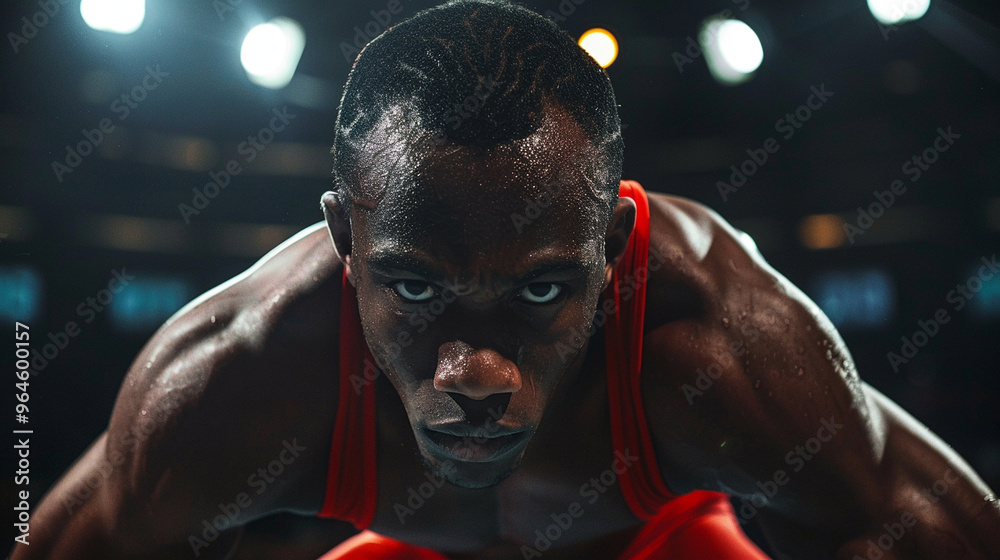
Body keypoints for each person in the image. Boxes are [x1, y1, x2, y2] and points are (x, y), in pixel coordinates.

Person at [12, 1, 1000, 559]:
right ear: (343, 239)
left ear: (613, 246)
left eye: (537, 292)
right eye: (415, 288)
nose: (476, 374)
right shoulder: (240, 369)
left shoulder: (718, 336)